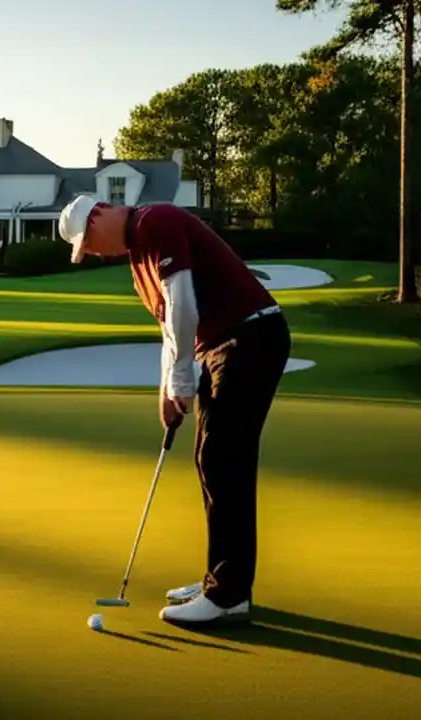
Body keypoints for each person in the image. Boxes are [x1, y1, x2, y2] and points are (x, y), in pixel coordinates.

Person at [58, 196, 292, 626]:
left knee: (222, 458)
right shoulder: (138, 265)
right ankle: (220, 581)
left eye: (88, 244)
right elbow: (170, 329)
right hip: (227, 345)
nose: (93, 253)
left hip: (252, 335)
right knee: (214, 459)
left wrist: (183, 379)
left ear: (99, 215)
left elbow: (184, 303)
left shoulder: (155, 222)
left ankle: (227, 595)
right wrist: (167, 390)